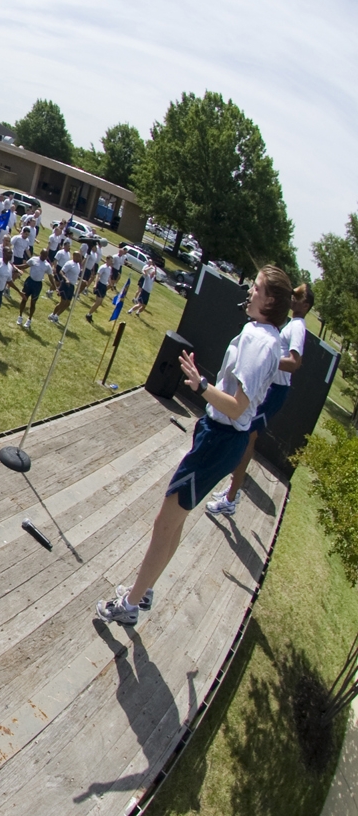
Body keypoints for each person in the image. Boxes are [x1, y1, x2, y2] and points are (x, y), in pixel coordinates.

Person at [98, 266, 290, 626]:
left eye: (259, 287)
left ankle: (131, 603)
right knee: (175, 517)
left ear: (271, 301)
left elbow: (236, 406)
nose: (251, 290)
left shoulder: (260, 341)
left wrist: (200, 385)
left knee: (165, 521)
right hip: (219, 438)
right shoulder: (265, 336)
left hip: (219, 440)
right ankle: (147, 585)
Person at [205, 281, 312, 517]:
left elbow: (295, 363)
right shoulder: (292, 324)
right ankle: (232, 490)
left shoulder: (297, 327)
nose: (293, 297)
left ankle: (231, 498)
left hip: (276, 390)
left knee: (247, 437)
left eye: (298, 296)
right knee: (246, 436)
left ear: (305, 304)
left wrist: (268, 360)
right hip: (272, 387)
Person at [15, 248, 52, 328]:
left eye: (46, 256)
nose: (44, 257)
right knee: (24, 299)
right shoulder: (34, 260)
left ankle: (29, 319)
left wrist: (55, 287)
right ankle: (20, 316)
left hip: (37, 285)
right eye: (43, 255)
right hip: (30, 281)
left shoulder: (47, 265)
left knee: (33, 303)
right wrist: (15, 267)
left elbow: (50, 276)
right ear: (40, 254)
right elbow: (25, 266)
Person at [47, 251, 82, 324]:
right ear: (74, 256)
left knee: (68, 304)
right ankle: (52, 315)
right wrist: (66, 279)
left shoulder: (78, 265)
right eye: (79, 256)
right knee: (62, 302)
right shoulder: (69, 263)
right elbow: (61, 272)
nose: (80, 258)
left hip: (72, 286)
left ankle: (57, 316)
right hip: (65, 285)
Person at [83, 254, 117, 322]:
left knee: (100, 302)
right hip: (100, 285)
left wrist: (111, 285)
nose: (111, 262)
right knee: (98, 302)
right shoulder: (103, 267)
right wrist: (95, 284)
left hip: (104, 286)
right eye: (110, 261)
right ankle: (88, 314)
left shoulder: (109, 268)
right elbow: (98, 276)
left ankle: (90, 314)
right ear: (107, 260)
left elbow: (109, 278)